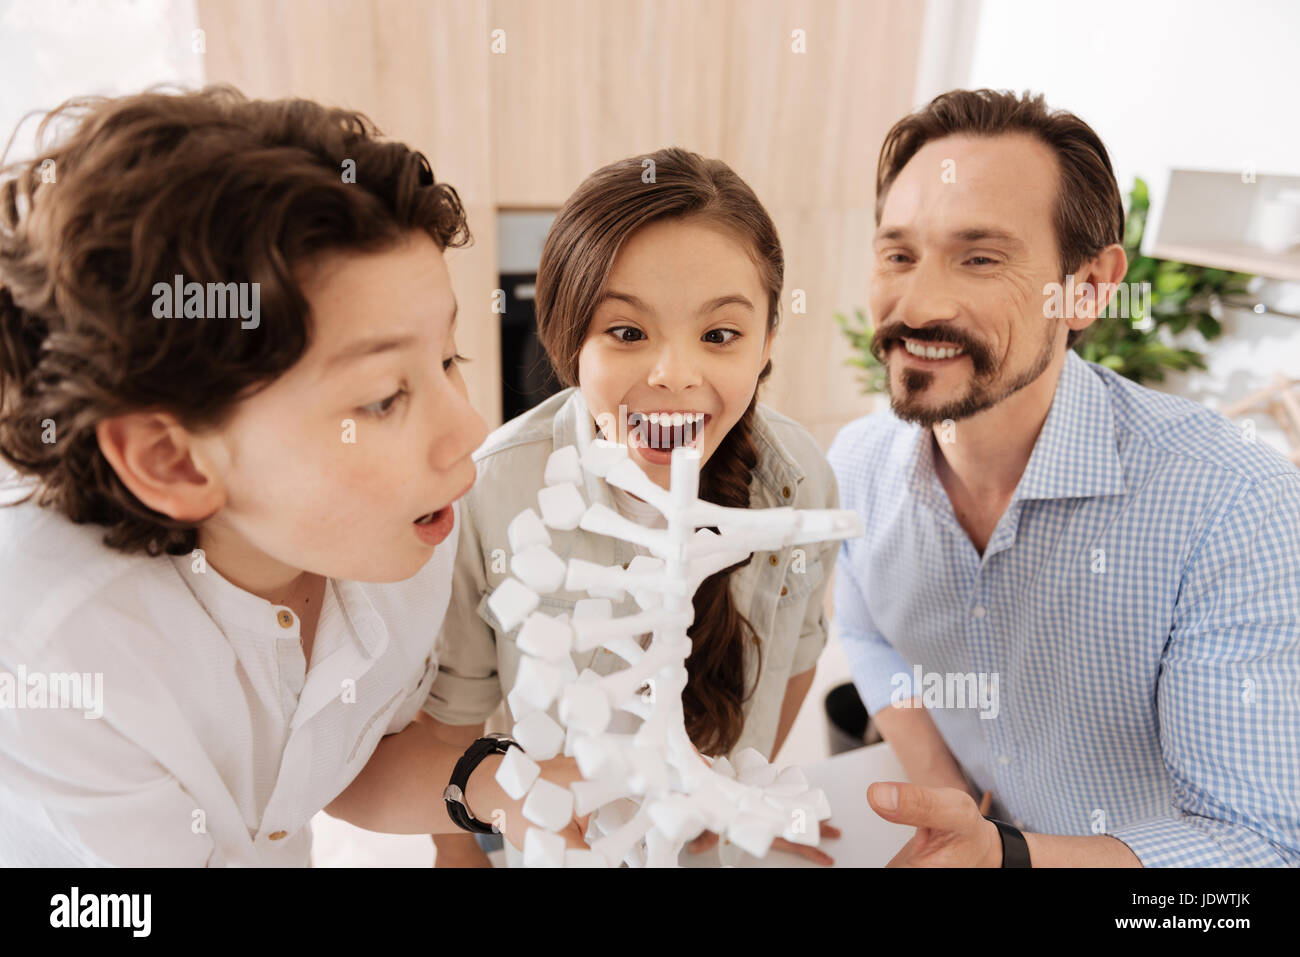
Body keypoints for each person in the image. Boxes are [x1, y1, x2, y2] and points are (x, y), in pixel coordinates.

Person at [0, 86, 577, 865]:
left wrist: (501, 788)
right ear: (173, 460)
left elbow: (337, 762)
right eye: (381, 400)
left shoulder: (401, 537)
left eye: (448, 359)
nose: (469, 432)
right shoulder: (59, 657)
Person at [831, 88, 1300, 867]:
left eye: (980, 258)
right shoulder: (857, 464)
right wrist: (948, 801)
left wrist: (1010, 858)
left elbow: (1259, 853)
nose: (919, 302)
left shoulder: (1234, 505)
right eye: (899, 254)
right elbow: (867, 631)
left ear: (1088, 287)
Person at [425, 147, 841, 866]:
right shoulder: (492, 490)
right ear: (567, 338)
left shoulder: (800, 480)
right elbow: (448, 725)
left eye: (720, 335)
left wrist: (743, 799)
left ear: (768, 340)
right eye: (627, 332)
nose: (674, 374)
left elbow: (799, 652)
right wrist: (457, 858)